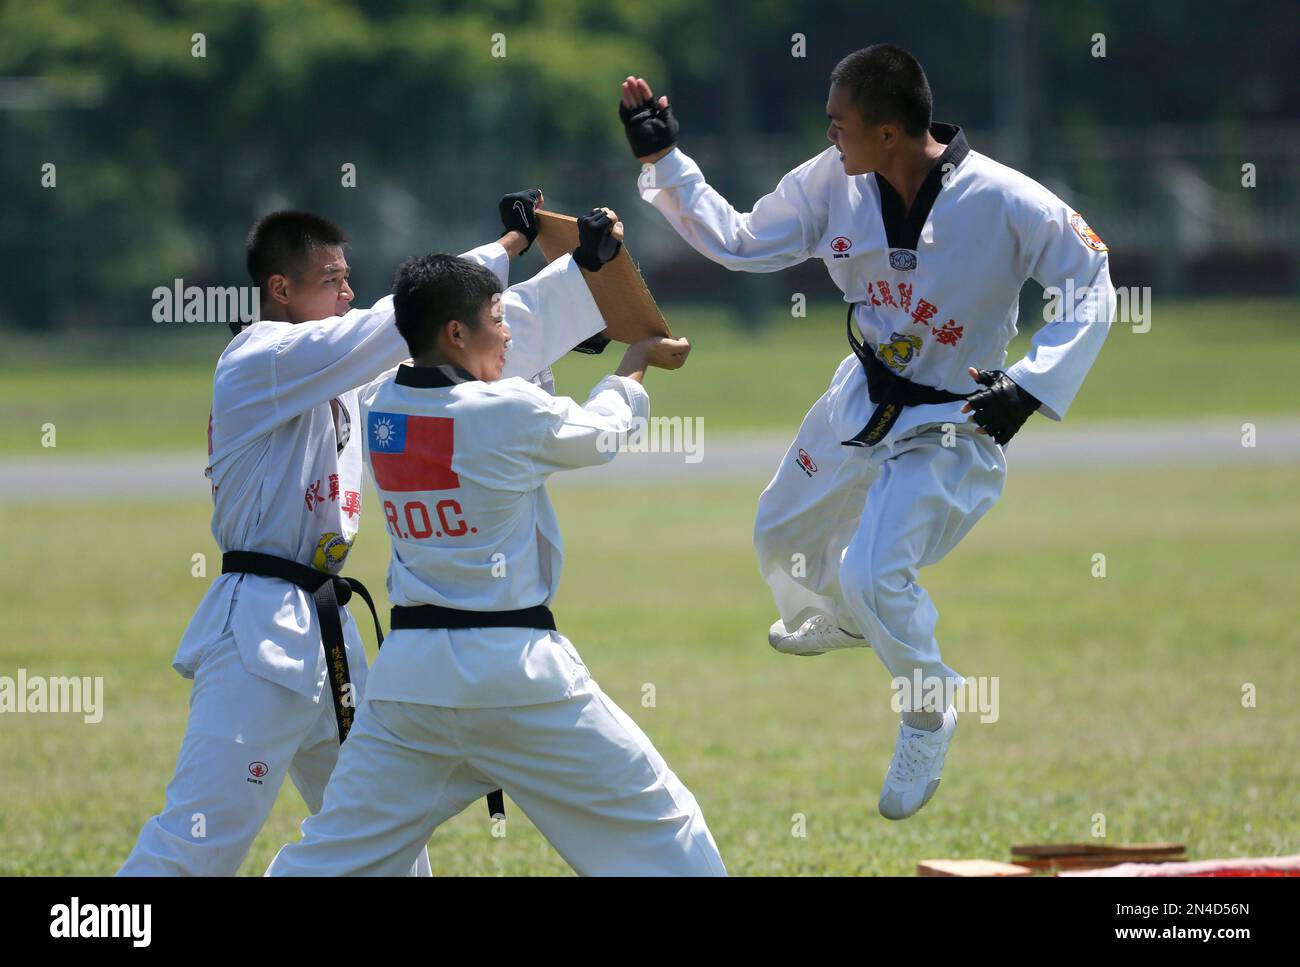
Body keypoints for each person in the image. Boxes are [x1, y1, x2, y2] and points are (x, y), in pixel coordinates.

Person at [618, 44, 1114, 820]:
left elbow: (1093, 284)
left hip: (957, 417)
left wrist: (1031, 386)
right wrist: (663, 157)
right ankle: (849, 612)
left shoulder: (1008, 200)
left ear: (889, 132)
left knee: (877, 572)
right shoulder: (833, 183)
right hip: (865, 395)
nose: (829, 139)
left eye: (839, 125)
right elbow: (744, 241)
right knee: (777, 535)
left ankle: (928, 708)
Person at [120, 192, 609, 874]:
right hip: (259, 628)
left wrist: (582, 277)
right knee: (202, 835)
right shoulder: (259, 357)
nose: (350, 291)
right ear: (281, 290)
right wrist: (503, 249)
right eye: (332, 281)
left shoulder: (339, 368)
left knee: (383, 836)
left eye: (351, 277)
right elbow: (402, 323)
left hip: (329, 630)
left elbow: (449, 343)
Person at [266, 209, 727, 876]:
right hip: (516, 673)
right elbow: (599, 433)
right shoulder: (507, 412)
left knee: (334, 856)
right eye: (498, 318)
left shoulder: (377, 404)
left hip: (411, 683)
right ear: (456, 332)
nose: (511, 333)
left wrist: (518, 247)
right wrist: (633, 364)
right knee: (664, 829)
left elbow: (450, 331)